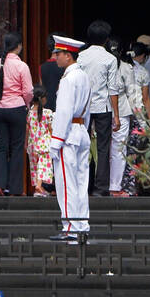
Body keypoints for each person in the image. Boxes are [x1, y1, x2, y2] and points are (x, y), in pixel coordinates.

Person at [47, 37, 92, 239]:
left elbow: (63, 112)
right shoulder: (83, 76)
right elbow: (88, 110)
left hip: (68, 134)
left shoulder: (68, 79)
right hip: (81, 130)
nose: (55, 57)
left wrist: (56, 141)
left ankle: (71, 226)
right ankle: (82, 224)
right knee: (81, 182)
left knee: (67, 183)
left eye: (58, 54)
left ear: (68, 55)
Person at [78, 20, 124, 198]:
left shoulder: (81, 57)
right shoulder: (110, 59)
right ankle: (100, 188)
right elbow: (113, 89)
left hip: (83, 106)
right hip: (103, 107)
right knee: (103, 148)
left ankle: (83, 185)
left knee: (83, 146)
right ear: (106, 39)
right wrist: (117, 116)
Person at [0, 32, 33, 196]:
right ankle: (15, 188)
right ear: (19, 46)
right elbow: (28, 91)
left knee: (0, 147)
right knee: (16, 148)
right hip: (16, 108)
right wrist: (25, 103)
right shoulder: (22, 66)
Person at [110, 39, 147, 197]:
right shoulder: (125, 67)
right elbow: (133, 95)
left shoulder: (123, 67)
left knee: (110, 149)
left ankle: (111, 185)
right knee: (118, 149)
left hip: (109, 110)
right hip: (119, 111)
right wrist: (141, 119)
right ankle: (114, 185)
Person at [26, 86, 55, 196]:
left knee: (34, 166)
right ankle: (39, 186)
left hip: (32, 143)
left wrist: (26, 143)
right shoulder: (48, 113)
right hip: (44, 143)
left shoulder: (29, 113)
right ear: (43, 99)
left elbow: (27, 129)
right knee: (43, 165)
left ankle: (38, 188)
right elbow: (50, 128)